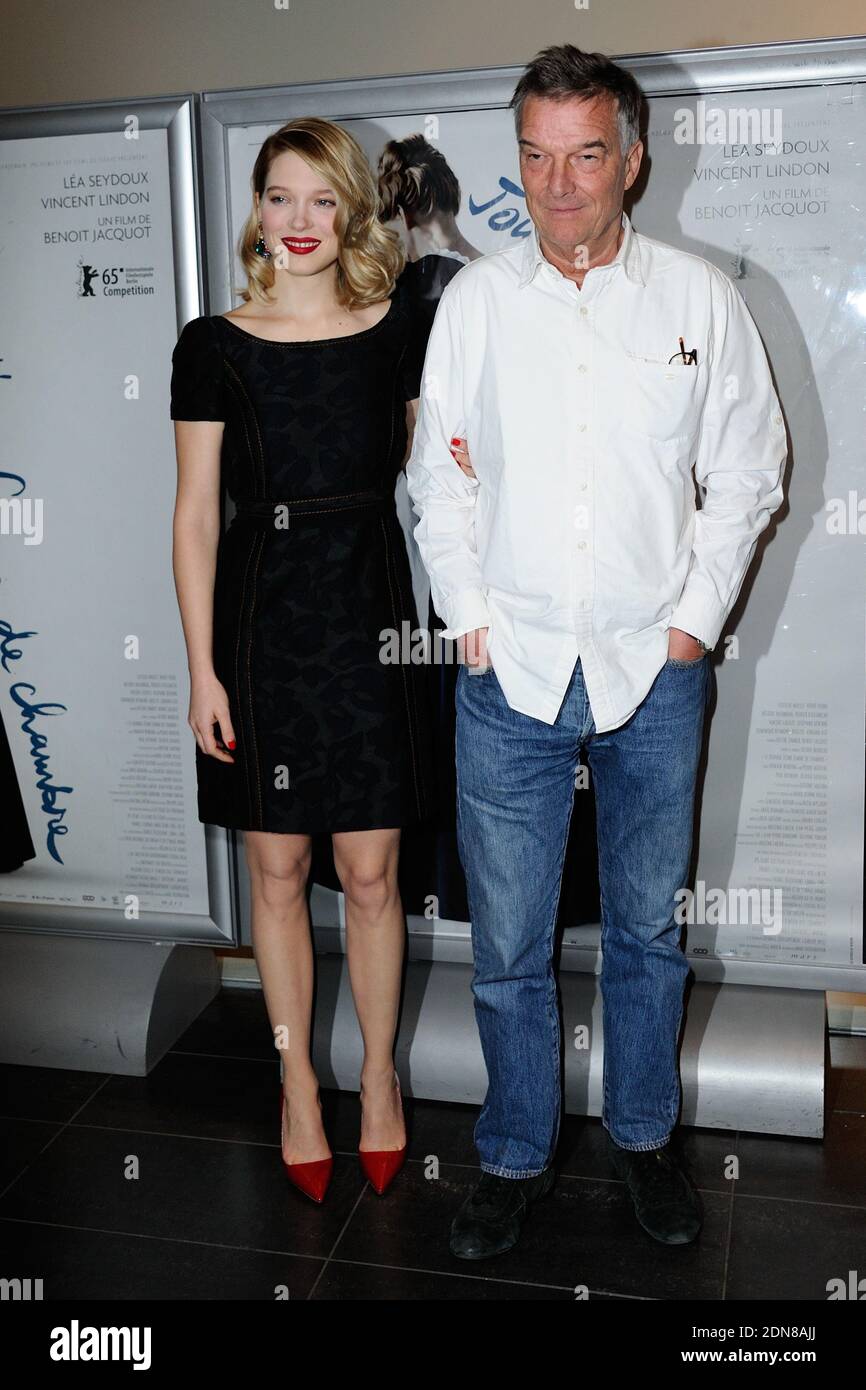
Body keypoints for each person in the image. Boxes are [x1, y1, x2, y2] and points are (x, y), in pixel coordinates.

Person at [406, 44, 788, 1259]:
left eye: (583, 155)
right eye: (534, 155)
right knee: (508, 942)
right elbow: (437, 476)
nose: (558, 184)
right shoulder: (477, 302)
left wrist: (693, 620)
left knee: (646, 933)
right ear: (515, 160)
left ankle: (640, 1139)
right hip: (506, 669)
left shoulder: (697, 299)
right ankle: (514, 1151)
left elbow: (749, 470)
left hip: (652, 671)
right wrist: (465, 613)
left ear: (631, 157)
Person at [170, 116, 449, 1204]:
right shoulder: (212, 343)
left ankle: (377, 1081)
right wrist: (202, 667)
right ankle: (296, 1084)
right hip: (261, 624)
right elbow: (196, 516)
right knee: (276, 875)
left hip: (373, 615)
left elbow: (437, 483)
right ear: (256, 209)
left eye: (320, 200)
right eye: (278, 198)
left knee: (372, 875)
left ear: (350, 210)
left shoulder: (397, 329)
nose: (297, 222)